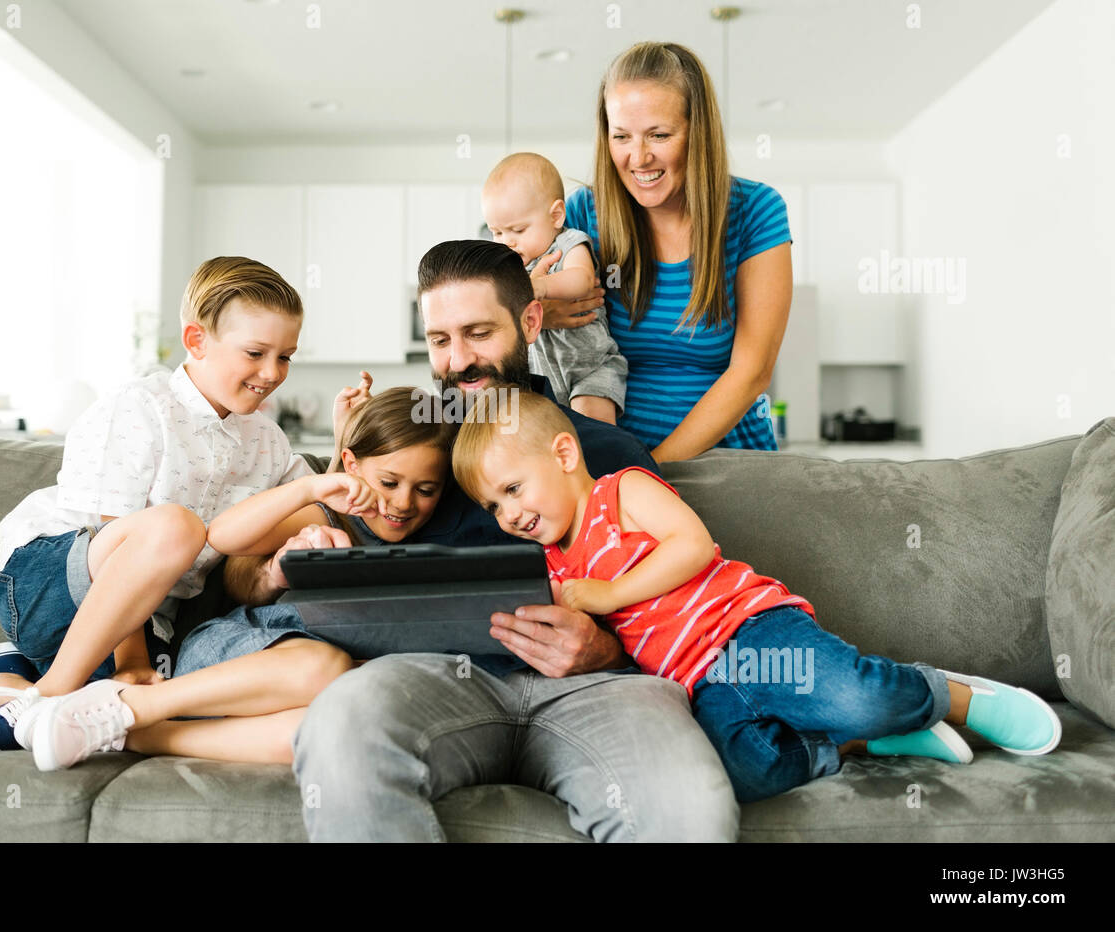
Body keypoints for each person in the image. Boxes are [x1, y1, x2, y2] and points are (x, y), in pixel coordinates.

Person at [221, 239, 742, 841]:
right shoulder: (402, 451)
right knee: (339, 726)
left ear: (530, 321)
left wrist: (604, 649)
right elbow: (244, 565)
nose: (459, 361)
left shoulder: (602, 451)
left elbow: (689, 590)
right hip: (432, 681)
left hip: (592, 688)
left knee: (687, 809)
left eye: (478, 333)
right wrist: (268, 575)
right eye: (440, 340)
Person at [450, 388, 1064, 802]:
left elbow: (693, 547)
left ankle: (955, 697)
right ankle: (864, 740)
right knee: (743, 770)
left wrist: (606, 594)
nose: (509, 513)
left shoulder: (622, 491)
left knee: (854, 691)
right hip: (697, 685)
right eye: (492, 505)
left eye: (512, 488)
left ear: (563, 454)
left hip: (746, 634)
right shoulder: (552, 564)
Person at [0, 256, 315, 756]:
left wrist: (350, 438)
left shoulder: (269, 443)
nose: (273, 373)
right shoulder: (139, 407)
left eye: (286, 356)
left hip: (152, 618)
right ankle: (55, 687)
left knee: (152, 702)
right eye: (256, 352)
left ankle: (0, 683)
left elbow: (324, 502)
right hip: (50, 584)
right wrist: (130, 660)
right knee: (176, 528)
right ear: (196, 341)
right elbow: (118, 541)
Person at [26, 385, 455, 770]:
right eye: (389, 482)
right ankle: (136, 704)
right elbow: (224, 535)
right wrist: (311, 489)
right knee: (323, 668)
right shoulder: (326, 512)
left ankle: (137, 734)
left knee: (332, 732)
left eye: (426, 490)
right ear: (351, 467)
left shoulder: (434, 542)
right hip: (234, 654)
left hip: (289, 693)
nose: (402, 502)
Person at [553, 41, 794, 462]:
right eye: (621, 136)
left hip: (727, 464)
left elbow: (752, 372)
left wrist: (652, 469)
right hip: (611, 469)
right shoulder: (582, 215)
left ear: (696, 132)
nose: (638, 158)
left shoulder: (756, 211)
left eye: (659, 135)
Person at [482, 151, 627, 425]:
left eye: (518, 230)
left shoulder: (569, 243)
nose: (507, 242)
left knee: (592, 431)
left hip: (591, 370)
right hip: (541, 377)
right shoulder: (509, 267)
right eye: (498, 233)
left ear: (556, 216)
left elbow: (582, 280)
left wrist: (539, 286)